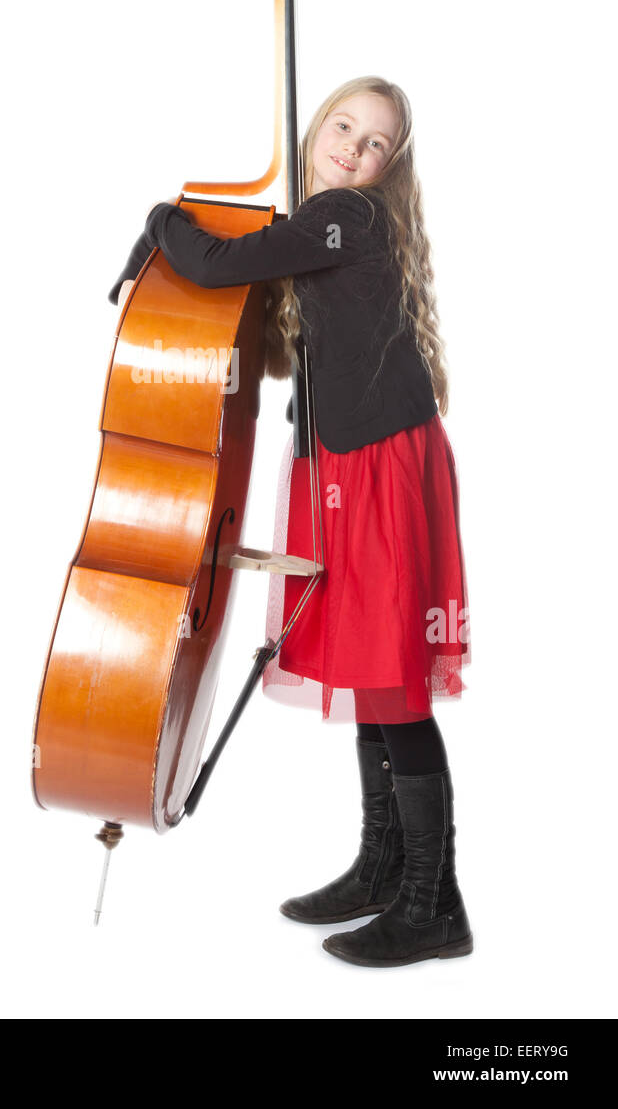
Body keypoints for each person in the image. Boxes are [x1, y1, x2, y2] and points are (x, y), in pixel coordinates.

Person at [107, 76, 472, 968]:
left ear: (390, 168)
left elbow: (216, 263)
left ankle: (434, 903)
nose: (354, 147)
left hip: (380, 466)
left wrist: (161, 218)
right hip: (349, 463)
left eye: (376, 141)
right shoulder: (325, 226)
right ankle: (386, 868)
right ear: (315, 128)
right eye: (343, 126)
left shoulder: (347, 214)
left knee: (391, 680)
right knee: (369, 668)